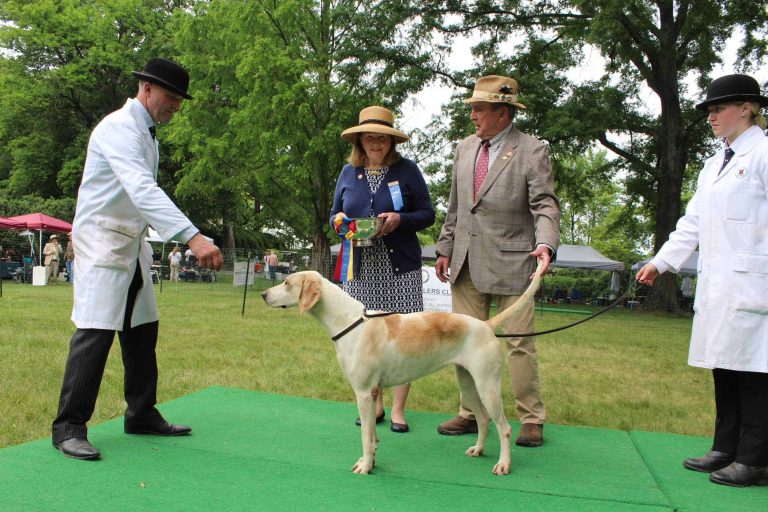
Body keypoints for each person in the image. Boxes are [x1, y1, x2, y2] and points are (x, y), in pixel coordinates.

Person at [51, 57, 223, 461]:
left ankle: (141, 413)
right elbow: (143, 191)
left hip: (130, 244)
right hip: (103, 243)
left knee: (143, 330)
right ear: (146, 89)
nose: (176, 106)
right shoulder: (118, 129)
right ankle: (68, 427)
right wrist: (193, 237)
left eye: (180, 100)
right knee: (95, 331)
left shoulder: (147, 136)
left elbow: (142, 201)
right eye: (171, 97)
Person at [636, 74, 768, 487]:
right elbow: (692, 223)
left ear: (746, 107)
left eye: (718, 108)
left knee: (756, 373)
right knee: (724, 365)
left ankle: (756, 458)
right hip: (721, 283)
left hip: (756, 281)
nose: (710, 116)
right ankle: (725, 447)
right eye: (709, 109)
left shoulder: (764, 153)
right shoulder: (714, 164)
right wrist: (661, 261)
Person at [434, 75, 560, 447]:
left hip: (514, 264)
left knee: (519, 343)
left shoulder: (532, 150)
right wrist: (444, 247)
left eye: (479, 109)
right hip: (465, 264)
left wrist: (546, 244)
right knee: (462, 344)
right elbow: (456, 205)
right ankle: (470, 413)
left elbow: (545, 205)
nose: (472, 115)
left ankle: (531, 418)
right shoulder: (464, 148)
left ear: (502, 112)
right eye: (472, 108)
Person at [330, 105, 436, 433]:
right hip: (360, 270)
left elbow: (428, 213)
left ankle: (399, 410)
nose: (376, 143)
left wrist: (400, 220)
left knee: (405, 338)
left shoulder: (408, 171)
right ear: (359, 140)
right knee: (366, 338)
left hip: (399, 269)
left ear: (392, 141)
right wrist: (343, 225)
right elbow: (334, 215)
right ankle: (374, 405)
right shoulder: (348, 173)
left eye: (382, 137)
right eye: (369, 137)